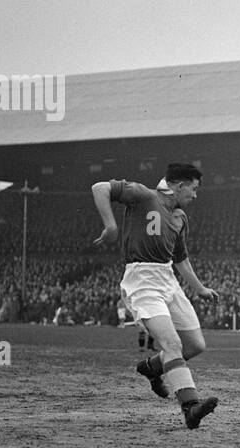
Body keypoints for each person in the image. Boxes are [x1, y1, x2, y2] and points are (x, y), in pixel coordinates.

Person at [91, 163, 220, 429]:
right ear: (179, 185)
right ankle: (190, 406)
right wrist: (111, 227)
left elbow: (181, 259)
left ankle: (152, 367)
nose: (195, 196)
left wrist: (199, 289)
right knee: (171, 344)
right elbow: (100, 188)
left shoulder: (180, 217)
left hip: (168, 281)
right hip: (142, 281)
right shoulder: (145, 196)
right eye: (193, 189)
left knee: (195, 346)